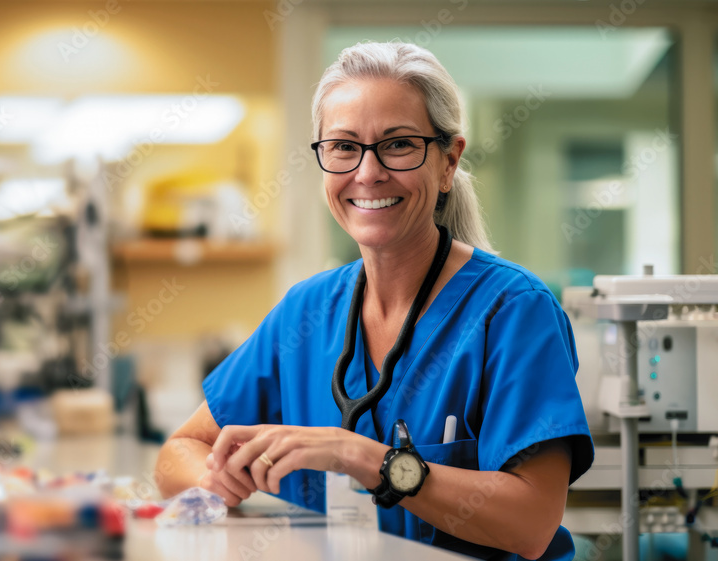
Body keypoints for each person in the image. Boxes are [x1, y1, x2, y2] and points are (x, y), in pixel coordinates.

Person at [153, 41, 594, 561]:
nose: (367, 173)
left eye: (399, 144)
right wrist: (219, 479)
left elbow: (531, 523)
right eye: (343, 146)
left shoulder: (513, 310)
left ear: (448, 161)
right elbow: (177, 454)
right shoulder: (307, 310)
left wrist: (365, 457)